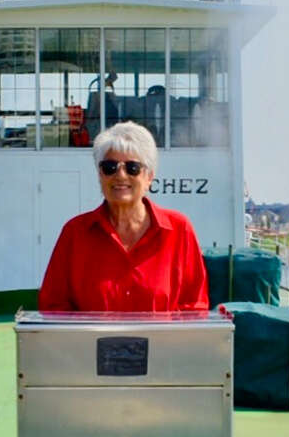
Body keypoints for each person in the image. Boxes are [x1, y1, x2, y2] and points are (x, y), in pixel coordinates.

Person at [38, 121, 209, 312]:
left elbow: (194, 307)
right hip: (91, 335)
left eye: (132, 167)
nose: (120, 175)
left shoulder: (179, 230)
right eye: (109, 167)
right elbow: (54, 307)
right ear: (100, 174)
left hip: (163, 335)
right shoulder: (75, 233)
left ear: (149, 177)